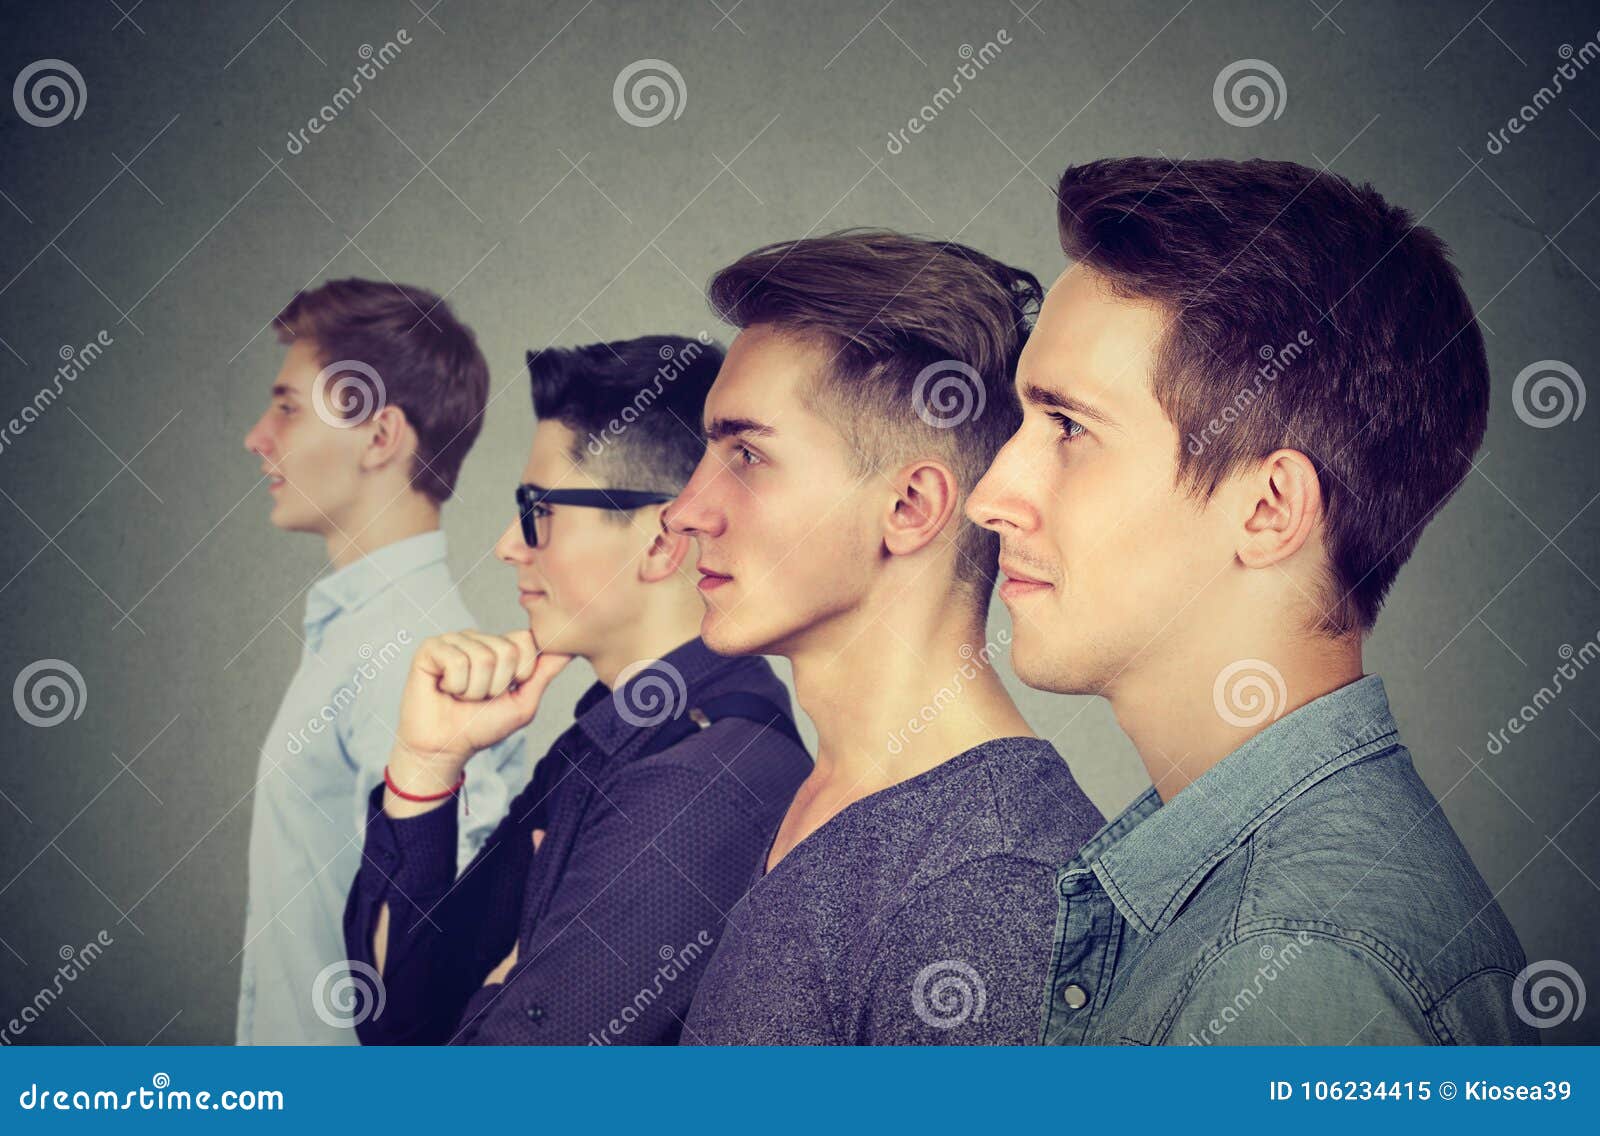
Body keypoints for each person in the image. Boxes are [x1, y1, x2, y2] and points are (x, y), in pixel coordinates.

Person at [965, 157, 1533, 1045]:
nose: (991, 495)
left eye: (1069, 427)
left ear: (1268, 511)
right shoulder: (1268, 918)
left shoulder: (1295, 974)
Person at [664, 231, 1104, 1045]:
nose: (687, 508)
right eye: (708, 454)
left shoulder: (989, 890)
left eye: (748, 455)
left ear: (909, 507)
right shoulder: (815, 797)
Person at [343, 335, 811, 1044]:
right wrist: (424, 768)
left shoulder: (704, 779)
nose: (506, 545)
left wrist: (498, 998)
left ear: (660, 541)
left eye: (539, 510)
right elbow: (395, 1022)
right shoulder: (607, 737)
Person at [238, 278, 529, 1044]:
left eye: (288, 407)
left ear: (379, 436)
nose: (257, 437)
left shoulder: (406, 653)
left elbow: (443, 959)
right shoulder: (368, 635)